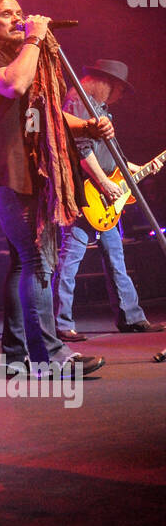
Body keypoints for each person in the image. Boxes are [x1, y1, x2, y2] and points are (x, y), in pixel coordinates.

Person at [0, 0, 115, 375]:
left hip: (29, 171)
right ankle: (50, 356)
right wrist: (35, 38)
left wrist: (88, 125)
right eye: (5, 14)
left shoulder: (16, 57)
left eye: (19, 13)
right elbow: (14, 86)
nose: (17, 18)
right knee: (37, 262)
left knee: (22, 264)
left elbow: (46, 112)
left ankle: (14, 356)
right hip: (7, 172)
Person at [53, 59, 163, 339]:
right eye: (120, 90)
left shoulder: (102, 111)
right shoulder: (79, 102)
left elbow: (111, 156)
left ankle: (131, 317)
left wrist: (140, 168)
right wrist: (103, 182)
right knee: (70, 261)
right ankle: (60, 323)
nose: (120, 96)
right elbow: (81, 149)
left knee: (116, 258)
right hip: (86, 195)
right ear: (106, 83)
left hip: (105, 199)